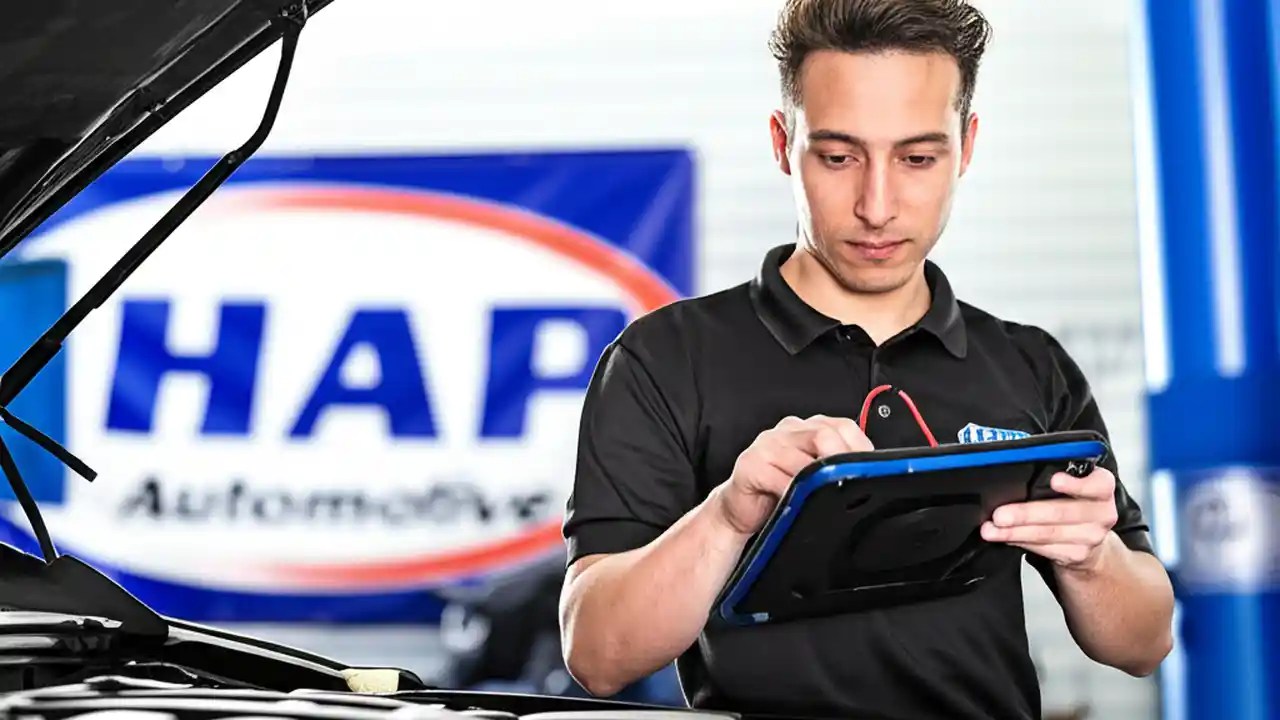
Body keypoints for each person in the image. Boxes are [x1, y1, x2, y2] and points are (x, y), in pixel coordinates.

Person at [556, 1, 1176, 718]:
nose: (877, 205)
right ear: (783, 143)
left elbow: (1144, 643)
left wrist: (1091, 558)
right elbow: (597, 656)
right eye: (839, 156)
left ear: (966, 146)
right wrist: (729, 514)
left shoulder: (1030, 365)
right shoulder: (665, 359)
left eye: (917, 158)